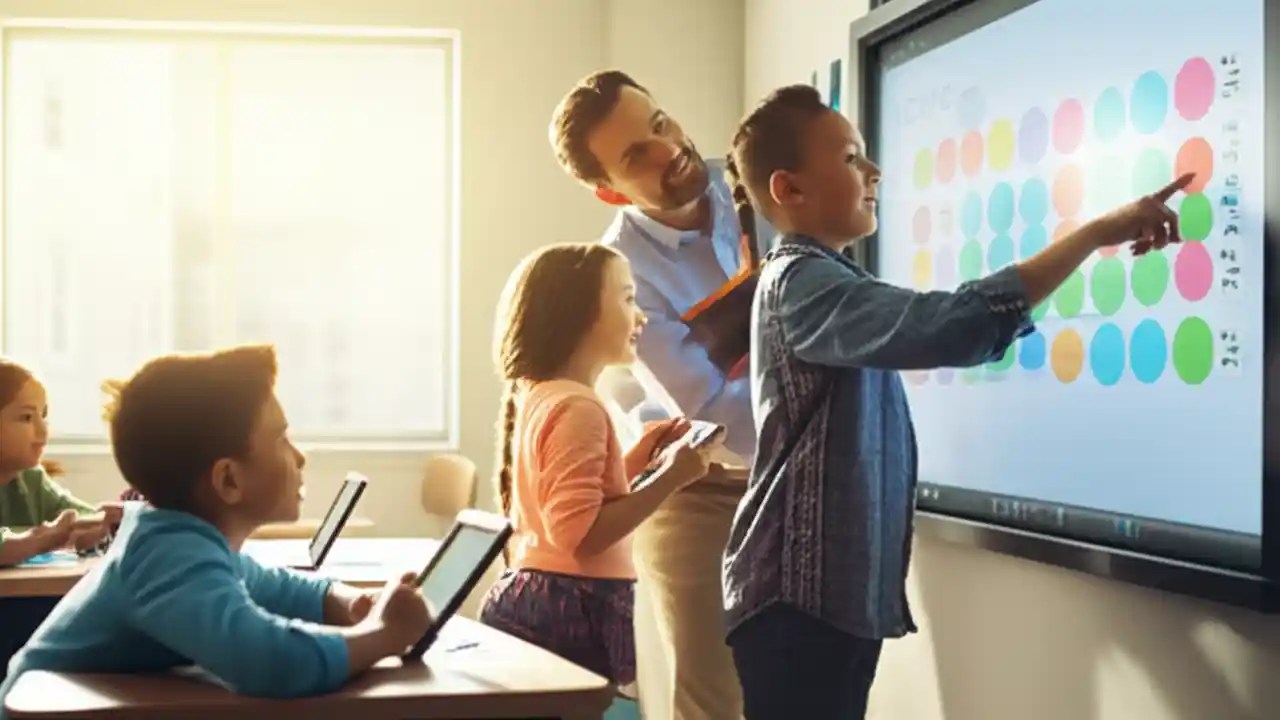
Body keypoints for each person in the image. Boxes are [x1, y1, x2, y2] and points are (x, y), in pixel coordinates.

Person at [721, 84, 1193, 718]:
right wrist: (1094, 234)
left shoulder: (821, 277)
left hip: (822, 603)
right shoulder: (800, 281)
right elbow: (951, 324)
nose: (874, 171)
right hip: (797, 608)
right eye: (852, 157)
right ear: (790, 189)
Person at [0, 346, 432, 714]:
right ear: (228, 480)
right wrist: (383, 635)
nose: (299, 457)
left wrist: (353, 602)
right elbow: (267, 662)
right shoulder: (168, 556)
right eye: (281, 438)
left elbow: (276, 586)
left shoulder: (182, 539)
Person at [550, 69, 754, 719]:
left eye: (660, 124)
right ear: (610, 191)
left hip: (800, 476)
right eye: (637, 154)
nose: (667, 149)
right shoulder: (622, 274)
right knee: (715, 699)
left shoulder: (756, 181)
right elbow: (715, 415)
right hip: (697, 492)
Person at [479, 243, 716, 690]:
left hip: (544, 599)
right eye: (627, 299)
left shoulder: (545, 394)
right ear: (581, 314)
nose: (641, 316)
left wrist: (640, 459)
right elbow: (580, 536)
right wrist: (672, 477)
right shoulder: (579, 407)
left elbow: (572, 502)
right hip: (571, 610)